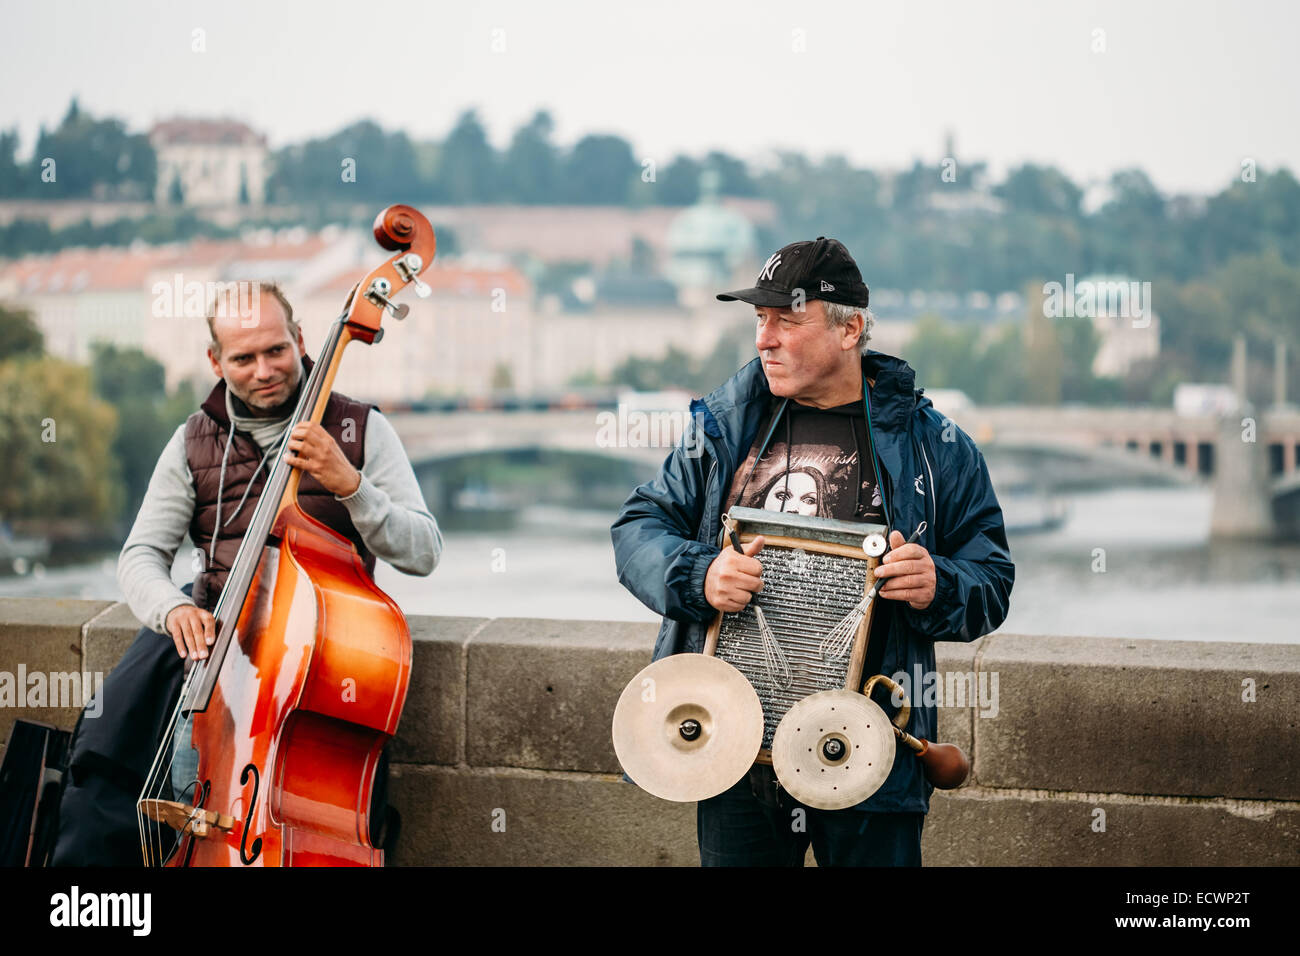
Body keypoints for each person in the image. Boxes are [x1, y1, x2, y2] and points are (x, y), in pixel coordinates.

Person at [611, 237, 1014, 866]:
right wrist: (700, 573)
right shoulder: (723, 426)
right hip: (733, 748)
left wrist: (940, 584)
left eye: (786, 321)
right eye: (759, 319)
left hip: (871, 754)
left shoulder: (938, 447)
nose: (763, 340)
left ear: (849, 329)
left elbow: (992, 580)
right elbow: (638, 527)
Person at [52, 281, 442, 865]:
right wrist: (173, 607)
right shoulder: (192, 440)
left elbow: (424, 551)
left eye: (276, 351)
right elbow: (140, 557)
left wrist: (352, 487)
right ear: (216, 361)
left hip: (321, 691)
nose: (264, 370)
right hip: (217, 697)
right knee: (200, 839)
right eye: (244, 357)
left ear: (301, 339)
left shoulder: (360, 431)